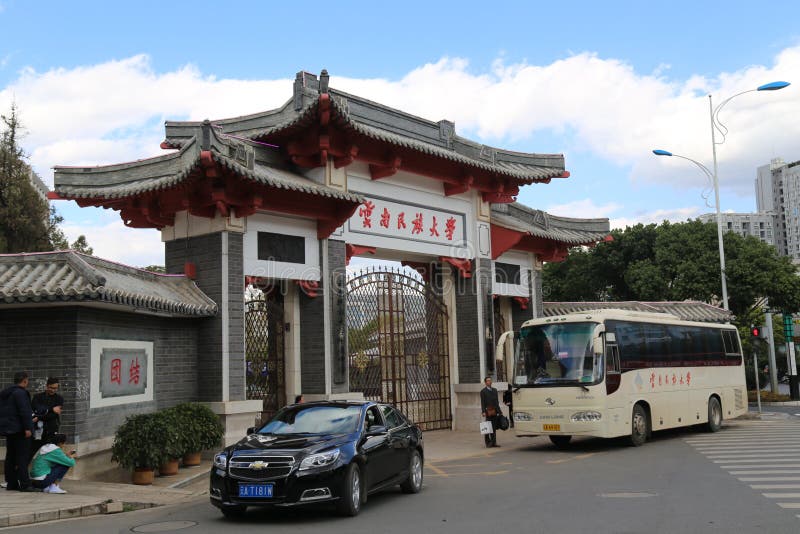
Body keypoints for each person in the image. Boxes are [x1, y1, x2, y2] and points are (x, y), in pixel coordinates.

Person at [0, 371, 38, 492]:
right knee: (22, 457)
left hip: (9, 429)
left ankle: (11, 483)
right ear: (25, 381)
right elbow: (24, 411)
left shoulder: (6, 393)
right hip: (20, 429)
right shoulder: (21, 393)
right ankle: (25, 484)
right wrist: (28, 428)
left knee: (10, 456)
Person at [31, 377, 64, 460]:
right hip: (38, 430)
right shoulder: (37, 397)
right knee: (31, 451)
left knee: (51, 453)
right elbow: (36, 410)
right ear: (46, 386)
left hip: (52, 429)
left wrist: (39, 417)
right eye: (51, 388)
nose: (53, 390)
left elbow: (53, 415)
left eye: (55, 388)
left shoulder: (59, 399)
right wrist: (51, 409)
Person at [480, 376, 502, 448]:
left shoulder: (495, 390)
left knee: (494, 427)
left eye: (490, 380)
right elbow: (482, 402)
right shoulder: (483, 391)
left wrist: (499, 411)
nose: (489, 382)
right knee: (488, 427)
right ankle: (488, 443)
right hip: (488, 411)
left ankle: (494, 442)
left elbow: (497, 402)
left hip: (495, 411)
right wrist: (483, 411)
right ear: (485, 382)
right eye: (488, 381)